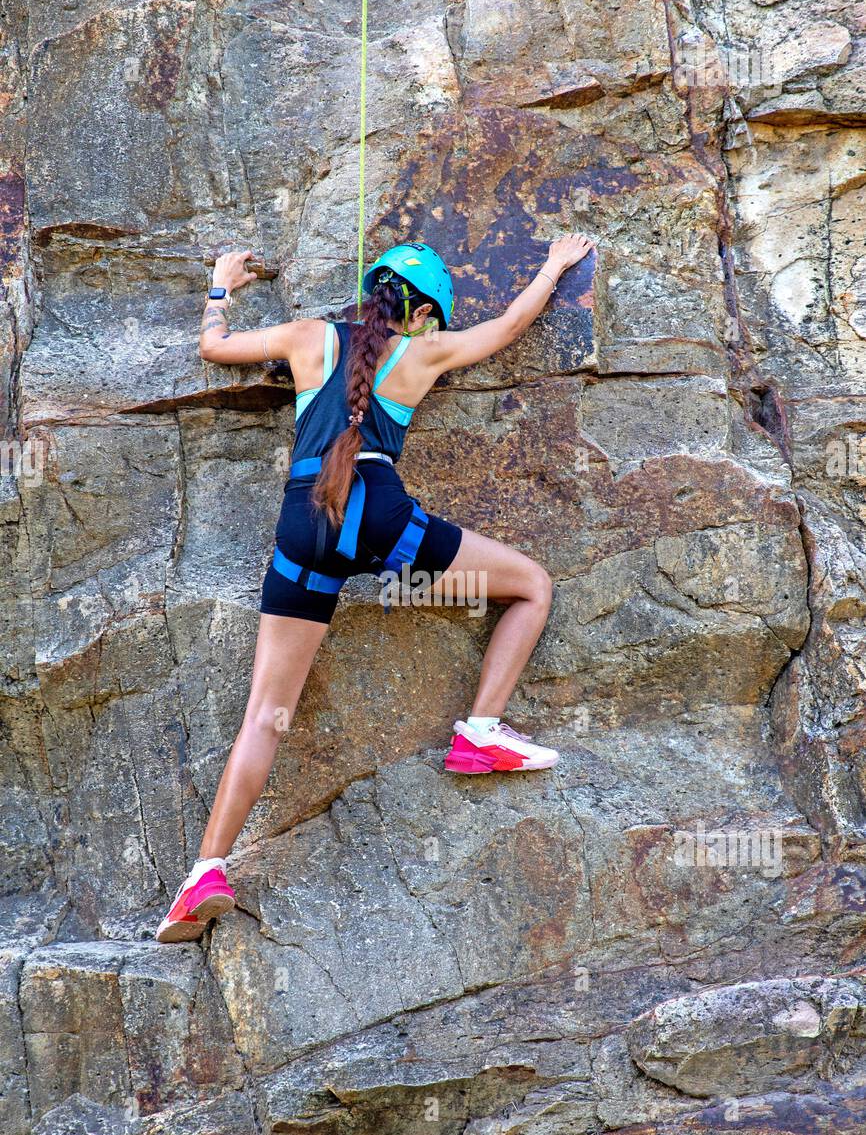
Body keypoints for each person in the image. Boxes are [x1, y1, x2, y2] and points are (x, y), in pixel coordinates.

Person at [156, 235, 595, 942]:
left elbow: (215, 346)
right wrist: (553, 265)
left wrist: (220, 284)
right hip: (388, 536)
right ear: (423, 315)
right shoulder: (421, 353)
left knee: (267, 715)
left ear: (373, 294)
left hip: (306, 533)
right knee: (530, 588)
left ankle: (204, 872)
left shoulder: (306, 337)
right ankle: (480, 732)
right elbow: (510, 327)